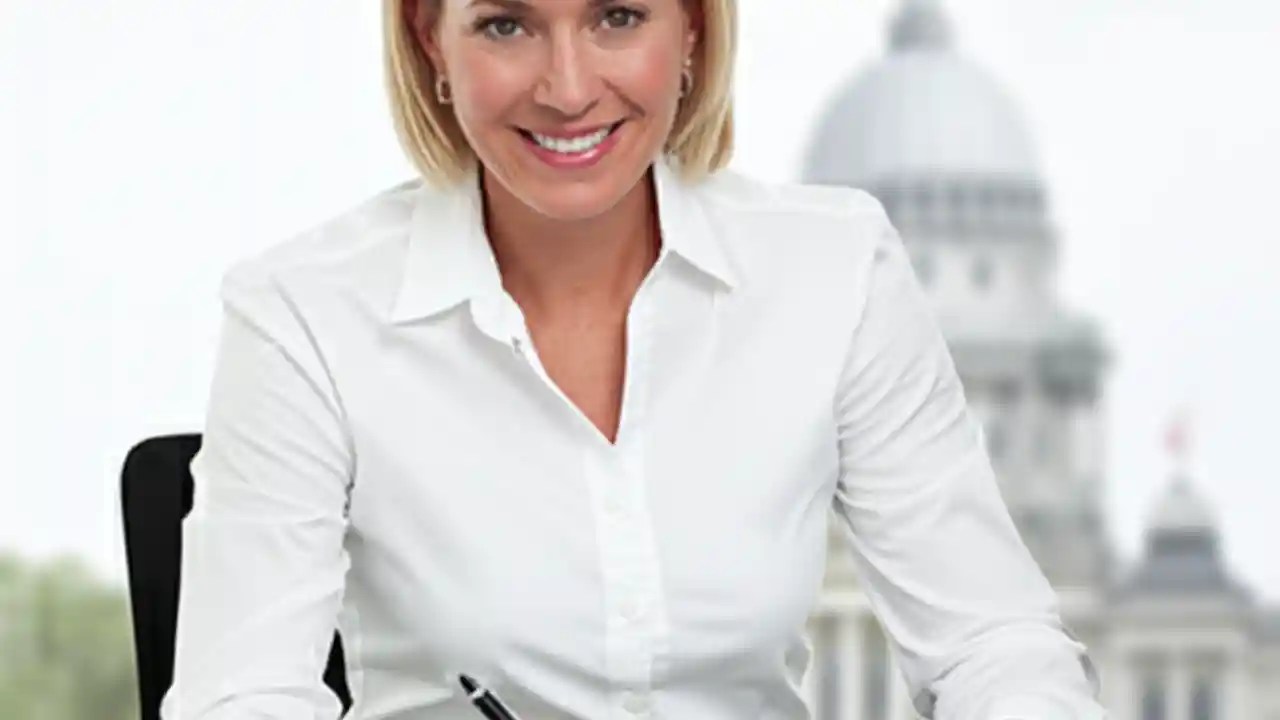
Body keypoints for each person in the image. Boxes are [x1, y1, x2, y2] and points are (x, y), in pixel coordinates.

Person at [161, 0, 1108, 718]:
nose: (568, 88)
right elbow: (241, 696)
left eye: (616, 16)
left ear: (692, 28)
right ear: (429, 39)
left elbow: (990, 643)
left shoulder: (836, 270)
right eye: (505, 25)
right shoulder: (302, 313)